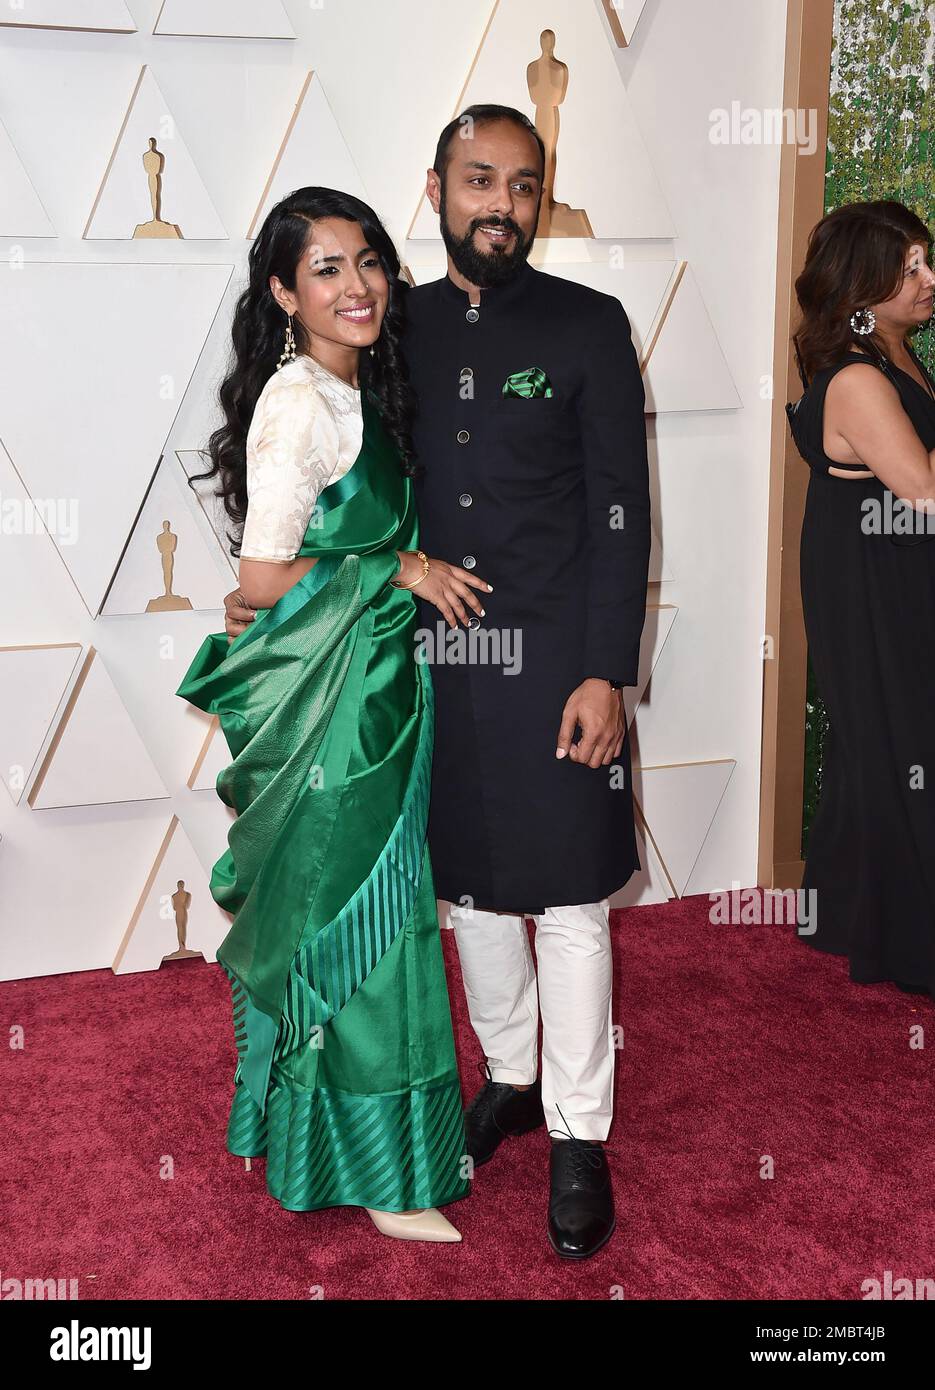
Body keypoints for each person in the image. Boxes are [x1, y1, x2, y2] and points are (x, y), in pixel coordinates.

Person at [227, 106, 651, 1260]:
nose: (499, 204)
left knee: (566, 898)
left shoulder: (589, 326)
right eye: (478, 181)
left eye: (521, 185)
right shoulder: (390, 326)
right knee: (464, 890)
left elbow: (622, 515)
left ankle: (577, 1132)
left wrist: (607, 670)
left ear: (538, 199)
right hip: (426, 669)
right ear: (435, 190)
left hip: (558, 661)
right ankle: (508, 1076)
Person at [177, 187, 492, 1240]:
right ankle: (374, 1168)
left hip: (378, 692)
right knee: (364, 929)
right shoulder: (300, 403)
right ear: (281, 291)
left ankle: (339, 1143)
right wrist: (397, 564)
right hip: (333, 714)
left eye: (367, 262)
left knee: (372, 920)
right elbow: (261, 575)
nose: (355, 286)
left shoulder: (360, 389)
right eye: (324, 268)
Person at [786, 198, 935, 999]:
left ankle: (849, 909)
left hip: (894, 566)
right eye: (906, 267)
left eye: (924, 261)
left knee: (884, 734)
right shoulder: (853, 377)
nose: (926, 279)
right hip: (874, 582)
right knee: (903, 735)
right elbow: (923, 489)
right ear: (859, 284)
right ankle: (908, 938)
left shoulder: (897, 356)